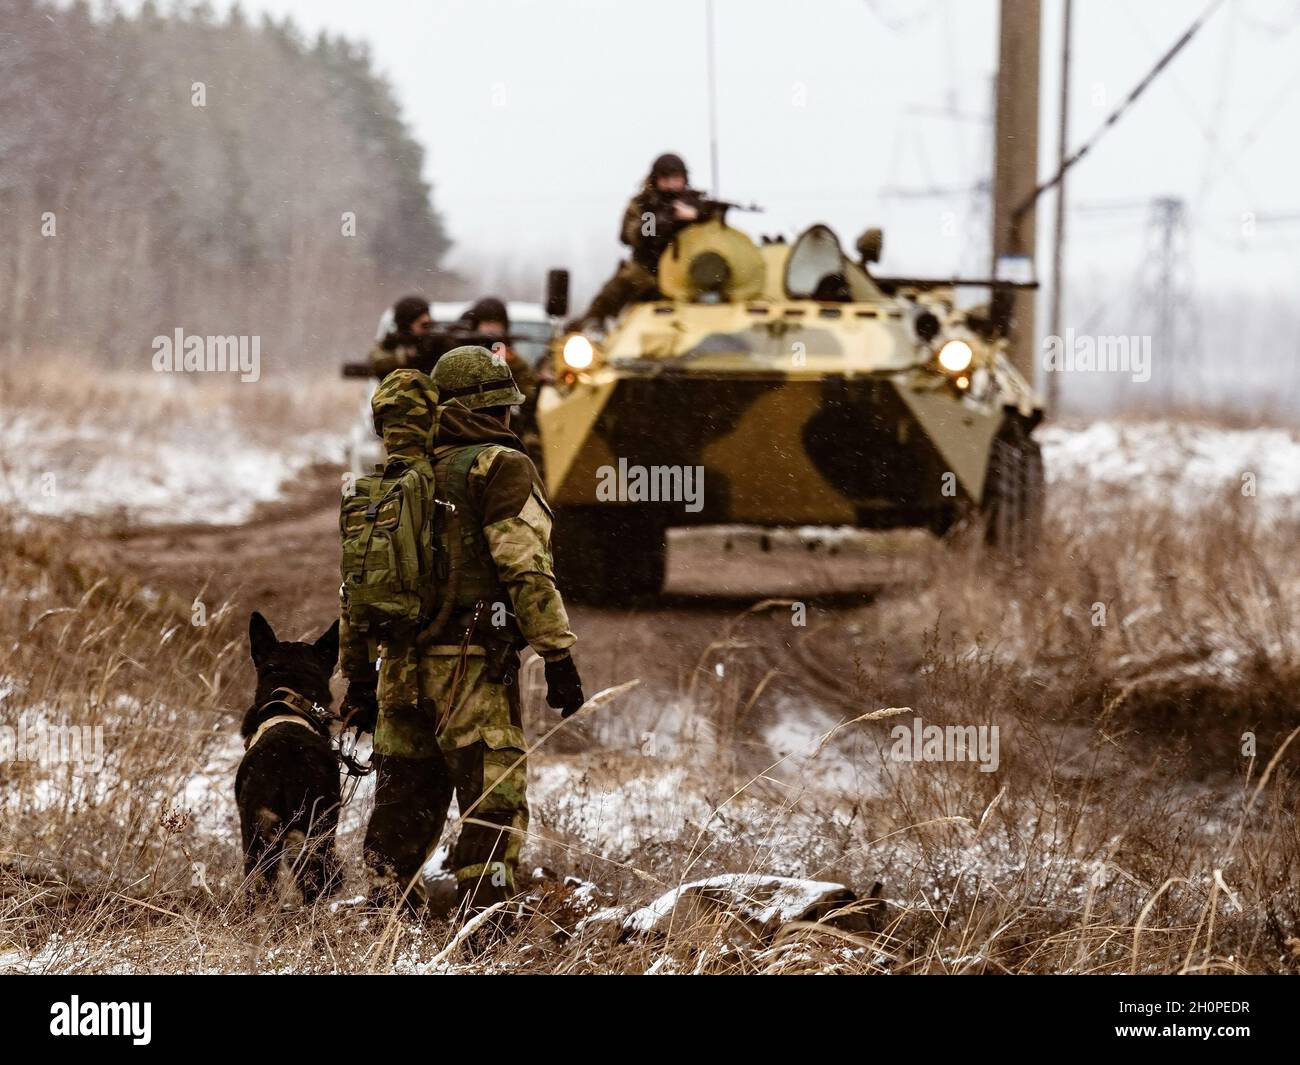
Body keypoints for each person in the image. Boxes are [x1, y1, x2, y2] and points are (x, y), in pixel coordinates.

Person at [339, 351, 585, 924]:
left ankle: (383, 931)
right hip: (470, 669)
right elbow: (525, 568)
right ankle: (486, 931)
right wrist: (558, 654)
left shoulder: (400, 475)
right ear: (496, 408)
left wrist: (356, 678)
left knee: (402, 807)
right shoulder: (500, 467)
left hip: (398, 673)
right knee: (491, 810)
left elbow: (356, 588)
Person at [577, 153, 712, 327]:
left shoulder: (695, 204)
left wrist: (697, 216)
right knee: (613, 293)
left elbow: (715, 233)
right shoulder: (646, 204)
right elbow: (632, 236)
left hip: (689, 272)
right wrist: (664, 220)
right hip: (647, 270)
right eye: (666, 178)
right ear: (656, 180)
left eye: (676, 178)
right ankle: (589, 327)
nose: (672, 184)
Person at [366, 294, 434, 377]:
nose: (428, 329)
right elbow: (376, 363)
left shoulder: (437, 343)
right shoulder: (391, 344)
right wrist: (406, 355)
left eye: (430, 324)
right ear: (407, 324)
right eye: (424, 325)